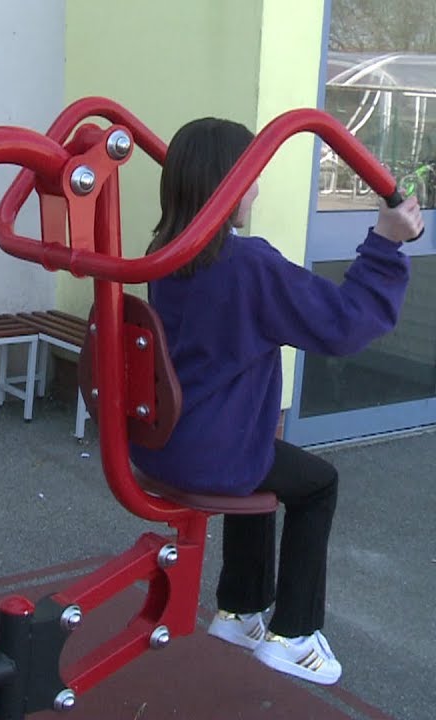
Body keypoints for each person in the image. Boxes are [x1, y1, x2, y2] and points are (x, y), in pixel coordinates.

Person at [130, 117, 422, 686]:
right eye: (252, 177)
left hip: (161, 443)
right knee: (317, 484)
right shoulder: (246, 266)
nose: (258, 189)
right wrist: (385, 244)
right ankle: (294, 633)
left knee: (265, 462)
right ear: (227, 185)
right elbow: (344, 326)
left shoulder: (165, 252)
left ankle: (240, 609)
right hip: (211, 451)